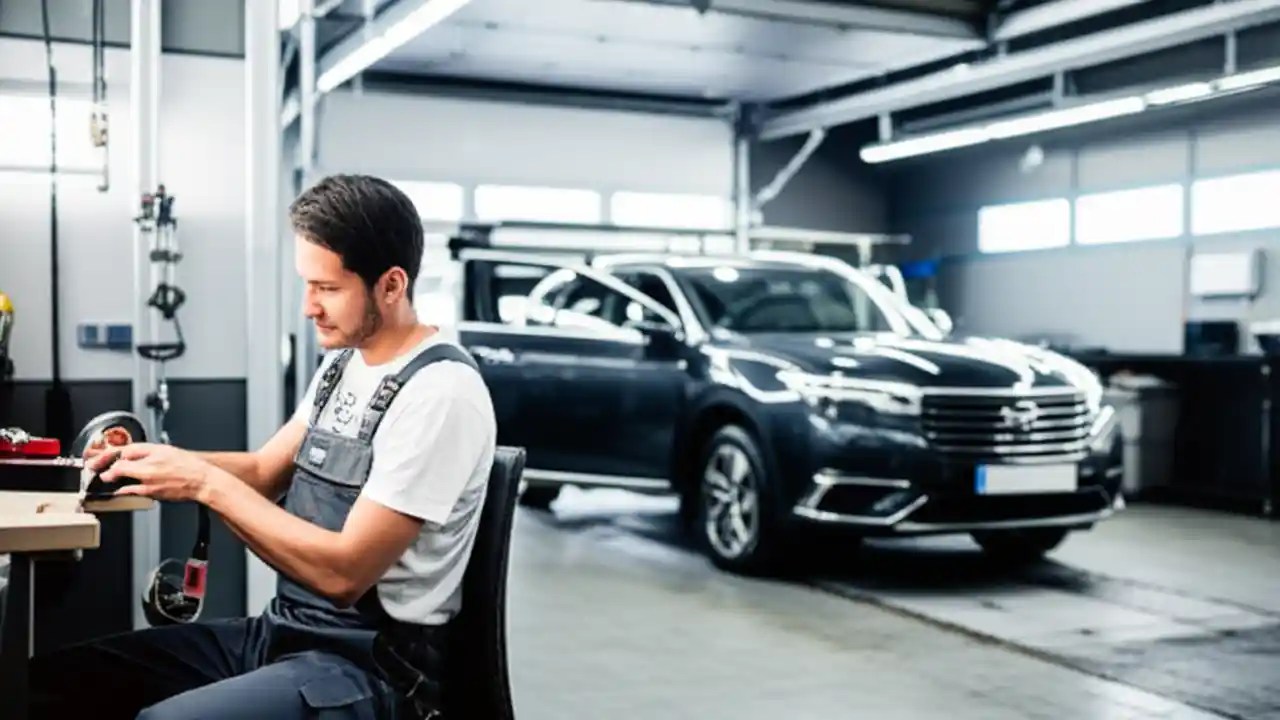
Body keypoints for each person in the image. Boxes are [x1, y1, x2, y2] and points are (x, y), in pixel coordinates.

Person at [30, 174, 497, 720]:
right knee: (47, 684)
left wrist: (204, 484)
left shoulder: (440, 394)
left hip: (373, 671)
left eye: (327, 288)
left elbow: (344, 575)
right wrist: (153, 463)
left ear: (392, 286)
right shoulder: (344, 364)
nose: (309, 307)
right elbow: (262, 470)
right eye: (307, 285)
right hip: (285, 634)